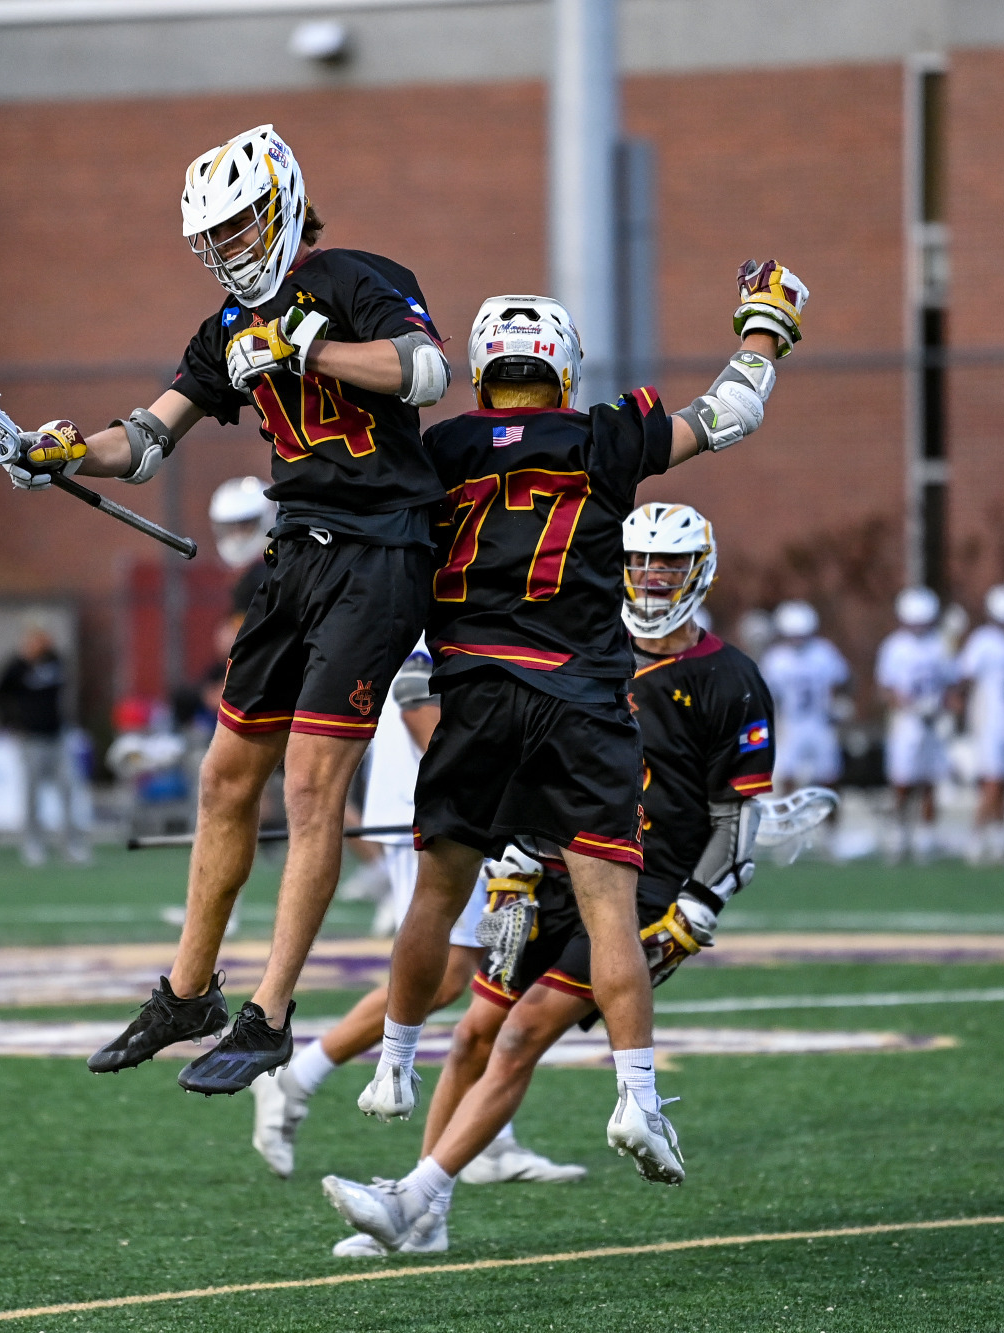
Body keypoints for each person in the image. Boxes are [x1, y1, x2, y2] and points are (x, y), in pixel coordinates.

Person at [342, 271, 802, 1195]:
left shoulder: (436, 454)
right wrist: (765, 328)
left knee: (435, 896)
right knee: (607, 907)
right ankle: (638, 1094)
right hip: (582, 698)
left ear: (482, 367)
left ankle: (393, 1061)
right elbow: (728, 414)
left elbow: (373, 555)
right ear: (562, 368)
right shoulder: (602, 436)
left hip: (474, 694)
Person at [24, 127, 453, 1094]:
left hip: (383, 552)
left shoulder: (352, 277)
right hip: (294, 554)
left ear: (286, 203)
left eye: (241, 222)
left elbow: (430, 369)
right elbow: (144, 439)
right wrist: (58, 451)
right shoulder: (224, 329)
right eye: (213, 233)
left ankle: (270, 1014)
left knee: (309, 787)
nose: (230, 246)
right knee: (224, 778)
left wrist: (315, 348)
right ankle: (187, 992)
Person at [321, 503, 778, 1254]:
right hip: (548, 873)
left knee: (523, 1030)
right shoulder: (587, 646)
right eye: (638, 560)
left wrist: (703, 900)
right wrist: (515, 849)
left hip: (641, 894)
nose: (651, 576)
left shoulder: (731, 678)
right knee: (474, 1031)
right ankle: (425, 1214)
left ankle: (413, 1201)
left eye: (668, 562)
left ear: (701, 569)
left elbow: (736, 814)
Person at [249, 639, 576, 1185]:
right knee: (453, 974)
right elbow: (419, 706)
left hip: (472, 811)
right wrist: (494, 797)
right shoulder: (442, 589)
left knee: (493, 962)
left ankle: (489, 1136)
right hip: (439, 810)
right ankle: (296, 1079)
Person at [0, 625, 82, 865]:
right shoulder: (17, 667)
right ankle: (33, 844)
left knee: (69, 788)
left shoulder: (56, 662)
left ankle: (71, 844)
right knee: (32, 793)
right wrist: (11, 722)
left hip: (57, 736)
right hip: (31, 738)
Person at [877, 586, 955, 863]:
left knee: (931, 780)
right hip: (907, 721)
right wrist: (910, 706)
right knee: (902, 780)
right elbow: (886, 688)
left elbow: (950, 682)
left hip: (933, 720)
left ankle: (927, 836)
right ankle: (898, 832)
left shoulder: (940, 644)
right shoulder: (894, 646)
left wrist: (943, 708)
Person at [957, 584, 1004, 866]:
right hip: (990, 722)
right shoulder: (983, 642)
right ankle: (975, 839)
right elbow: (965, 676)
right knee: (992, 782)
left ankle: (999, 839)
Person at [761, 600, 850, 793]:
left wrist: (840, 703)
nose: (798, 640)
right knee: (786, 773)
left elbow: (842, 679)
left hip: (820, 720)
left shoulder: (823, 652)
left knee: (829, 774)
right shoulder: (776, 658)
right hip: (791, 722)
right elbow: (766, 694)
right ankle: (787, 820)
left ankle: (829, 819)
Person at [209, 475, 276, 661]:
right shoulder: (255, 574)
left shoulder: (263, 576)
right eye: (231, 528)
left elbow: (234, 640)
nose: (237, 536)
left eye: (245, 526)